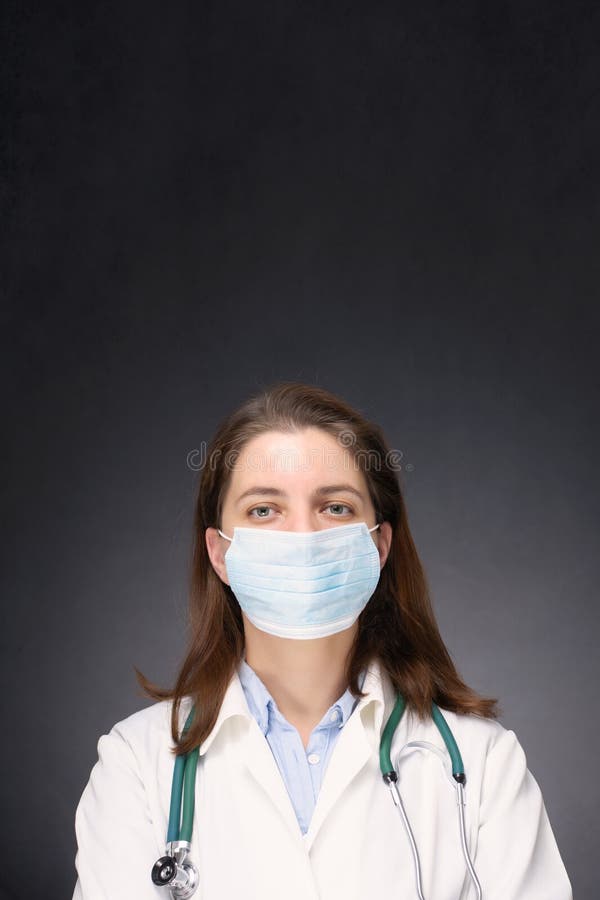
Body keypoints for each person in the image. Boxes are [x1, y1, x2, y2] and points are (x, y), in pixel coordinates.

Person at [71, 381, 573, 899]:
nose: (303, 538)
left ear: (378, 545)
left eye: (334, 508)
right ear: (220, 553)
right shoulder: (137, 761)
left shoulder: (482, 761)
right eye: (264, 510)